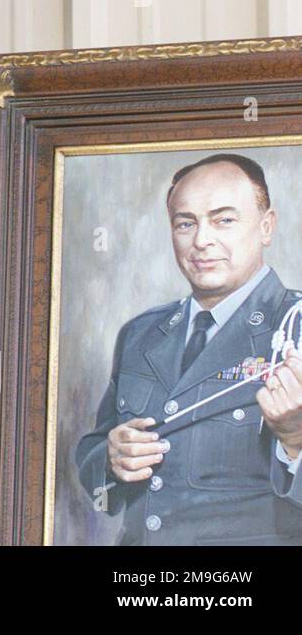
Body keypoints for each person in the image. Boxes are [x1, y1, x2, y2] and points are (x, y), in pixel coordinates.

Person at [74, 153, 302, 544]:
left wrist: (296, 441)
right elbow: (97, 458)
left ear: (267, 227)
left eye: (224, 220)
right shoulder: (141, 334)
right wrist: (112, 461)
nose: (201, 240)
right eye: (186, 223)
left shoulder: (294, 327)